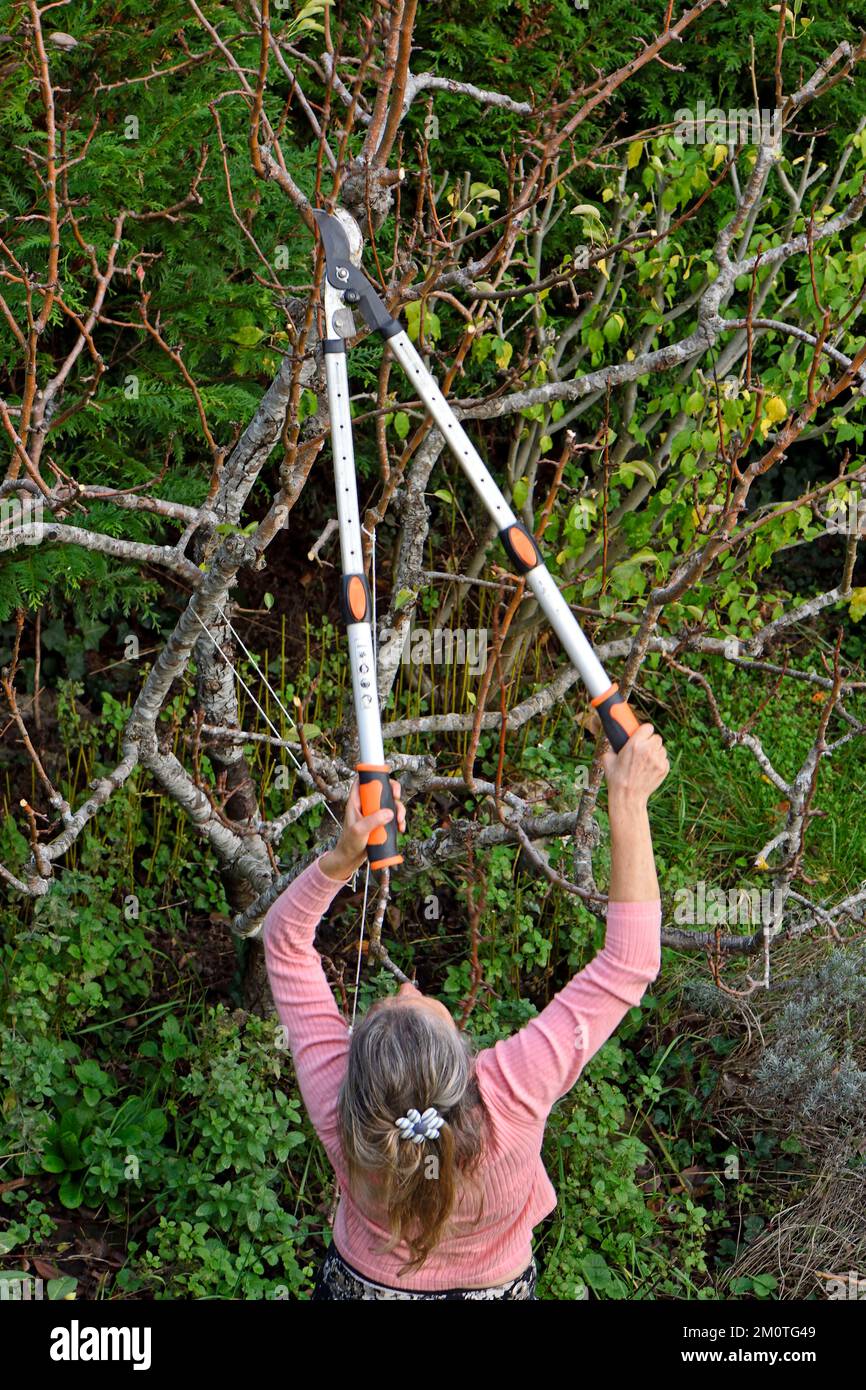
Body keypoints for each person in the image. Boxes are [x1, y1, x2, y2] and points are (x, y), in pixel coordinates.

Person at [263, 723, 669, 1300]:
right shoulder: (506, 1094)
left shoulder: (342, 1108)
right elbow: (630, 961)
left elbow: (282, 942)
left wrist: (342, 856)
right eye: (416, 1003)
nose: (407, 986)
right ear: (465, 1060)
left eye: (388, 1000)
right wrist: (627, 800)